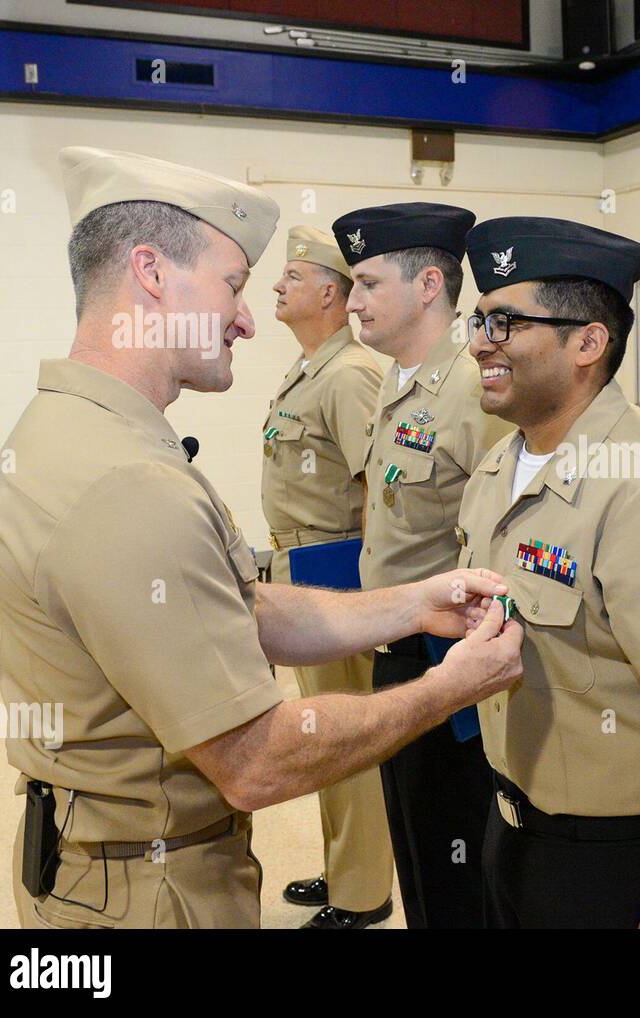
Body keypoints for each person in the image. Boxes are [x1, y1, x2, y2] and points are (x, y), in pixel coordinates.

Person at [0, 147, 522, 929]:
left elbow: (233, 605)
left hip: (98, 866)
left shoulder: (70, 431)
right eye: (232, 284)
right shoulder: (129, 484)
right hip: (147, 893)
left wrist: (410, 605)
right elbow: (257, 760)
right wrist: (448, 689)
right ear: (151, 273)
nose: (245, 317)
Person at [458, 216, 640, 929]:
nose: (478, 343)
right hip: (512, 822)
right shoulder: (500, 465)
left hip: (616, 857)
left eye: (505, 322)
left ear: (588, 343)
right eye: (478, 321)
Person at [331, 203, 513, 928]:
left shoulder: (473, 389)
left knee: (453, 865)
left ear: (429, 284)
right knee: (416, 856)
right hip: (397, 647)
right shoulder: (399, 381)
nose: (352, 302)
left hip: (449, 663)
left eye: (368, 283)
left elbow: (504, 540)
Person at [264, 225, 394, 928]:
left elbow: (380, 489)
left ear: (327, 294)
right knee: (323, 734)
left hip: (335, 571)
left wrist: (371, 596)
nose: (276, 286)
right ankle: (345, 864)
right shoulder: (311, 369)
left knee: (346, 737)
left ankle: (363, 892)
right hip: (303, 567)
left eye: (292, 276)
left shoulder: (348, 375)